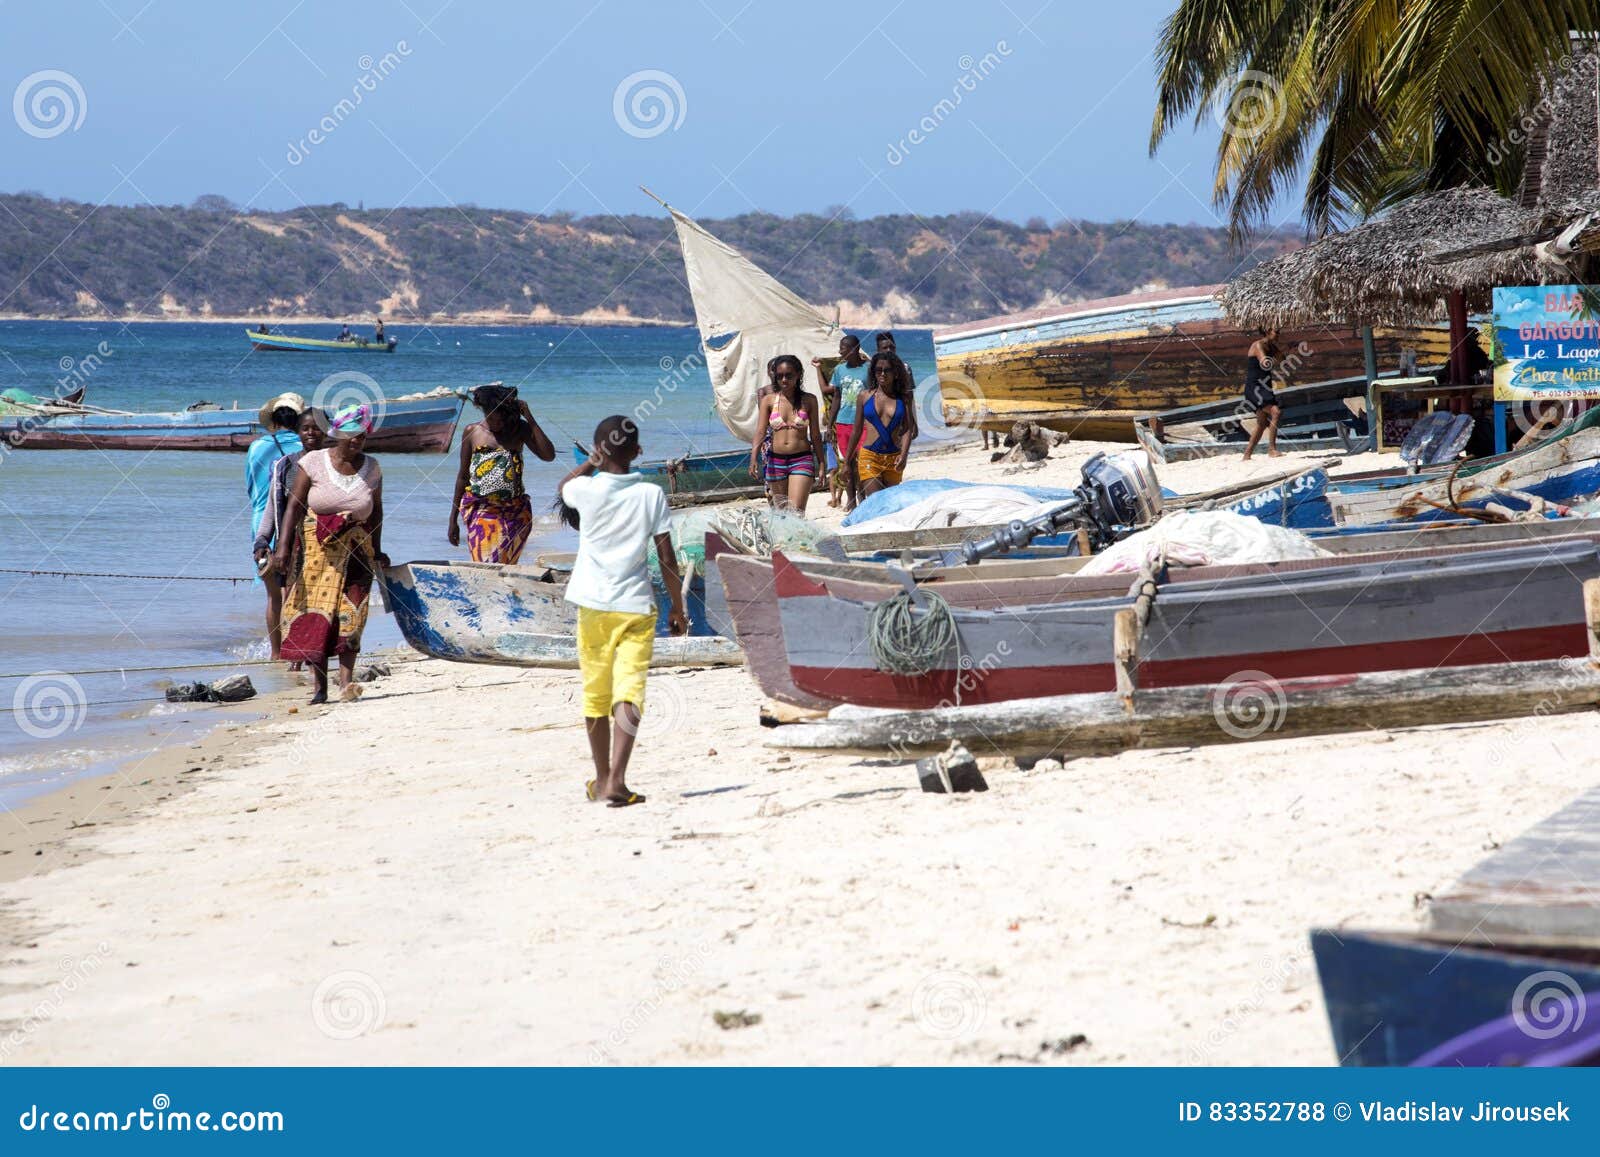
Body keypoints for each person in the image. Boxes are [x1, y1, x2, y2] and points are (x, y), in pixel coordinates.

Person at [558, 415, 688, 808]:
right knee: (629, 691)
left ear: (600, 451)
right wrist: (678, 607)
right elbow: (666, 557)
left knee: (595, 694)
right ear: (638, 452)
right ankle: (617, 778)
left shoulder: (586, 489)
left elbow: (563, 487)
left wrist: (588, 463)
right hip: (635, 607)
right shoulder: (651, 495)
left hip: (592, 605)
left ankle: (601, 778)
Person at [272, 405, 389, 705]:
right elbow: (295, 506)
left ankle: (347, 683)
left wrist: (378, 549)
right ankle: (320, 687)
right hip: (316, 551)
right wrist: (283, 547)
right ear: (337, 434)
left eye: (361, 437)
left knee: (353, 610)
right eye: (351, 436)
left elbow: (376, 512)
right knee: (317, 615)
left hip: (358, 550)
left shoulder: (372, 467)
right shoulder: (313, 462)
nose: (356, 442)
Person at [448, 383, 556, 563]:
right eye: (493, 420)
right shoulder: (472, 432)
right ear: (485, 412)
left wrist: (529, 418)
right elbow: (462, 477)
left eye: (502, 420)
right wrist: (452, 520)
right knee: (485, 563)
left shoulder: (519, 430)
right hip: (481, 509)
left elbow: (549, 455)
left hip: (516, 512)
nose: (498, 425)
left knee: (506, 566)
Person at [256, 408, 329, 671]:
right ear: (297, 432)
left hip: (327, 544)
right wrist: (262, 540)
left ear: (327, 431)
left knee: (322, 600)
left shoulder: (334, 464)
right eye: (306, 428)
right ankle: (287, 654)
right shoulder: (286, 465)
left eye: (317, 427)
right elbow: (273, 506)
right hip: (292, 544)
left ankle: (310, 654)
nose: (311, 433)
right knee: (291, 599)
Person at [247, 391, 305, 660]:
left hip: (262, 524)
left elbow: (251, 489)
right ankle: (295, 649)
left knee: (273, 596)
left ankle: (275, 653)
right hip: (293, 526)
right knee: (293, 592)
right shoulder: (305, 447)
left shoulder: (257, 447)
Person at [752, 354, 825, 515]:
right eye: (779, 376)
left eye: (788, 375)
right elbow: (760, 431)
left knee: (797, 512)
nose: (784, 380)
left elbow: (815, 435)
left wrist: (821, 463)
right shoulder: (769, 400)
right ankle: (786, 541)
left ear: (798, 374)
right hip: (775, 460)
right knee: (782, 514)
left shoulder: (809, 400)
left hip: (802, 459)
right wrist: (753, 458)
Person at [846, 352, 912, 506]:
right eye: (878, 370)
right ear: (873, 372)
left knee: (891, 505)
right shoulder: (864, 396)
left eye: (887, 370)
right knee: (876, 503)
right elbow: (856, 431)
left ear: (896, 373)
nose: (882, 373)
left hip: (894, 458)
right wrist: (847, 462)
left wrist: (904, 455)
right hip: (870, 456)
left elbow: (908, 429)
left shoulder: (904, 398)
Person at [813, 335, 868, 508]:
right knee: (847, 464)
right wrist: (830, 425)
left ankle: (864, 498)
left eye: (843, 348)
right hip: (843, 423)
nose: (840, 351)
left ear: (855, 348)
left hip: (865, 424)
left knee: (864, 462)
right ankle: (852, 503)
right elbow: (836, 397)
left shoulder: (869, 369)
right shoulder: (839, 370)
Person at [1241, 329, 1283, 460]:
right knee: (1276, 412)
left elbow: (1281, 360)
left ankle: (1247, 454)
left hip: (1264, 387)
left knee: (1262, 422)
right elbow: (1265, 362)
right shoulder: (1257, 345)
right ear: (1267, 332)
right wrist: (1271, 358)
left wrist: (1287, 348)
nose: (1278, 335)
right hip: (1255, 388)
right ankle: (1272, 449)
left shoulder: (1271, 347)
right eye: (1276, 332)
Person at [875, 331, 920, 442]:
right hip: (879, 419)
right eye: (885, 348)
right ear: (879, 350)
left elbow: (909, 398)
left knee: (899, 453)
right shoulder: (874, 369)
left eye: (891, 347)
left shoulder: (905, 368)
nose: (889, 350)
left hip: (900, 418)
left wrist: (912, 422)